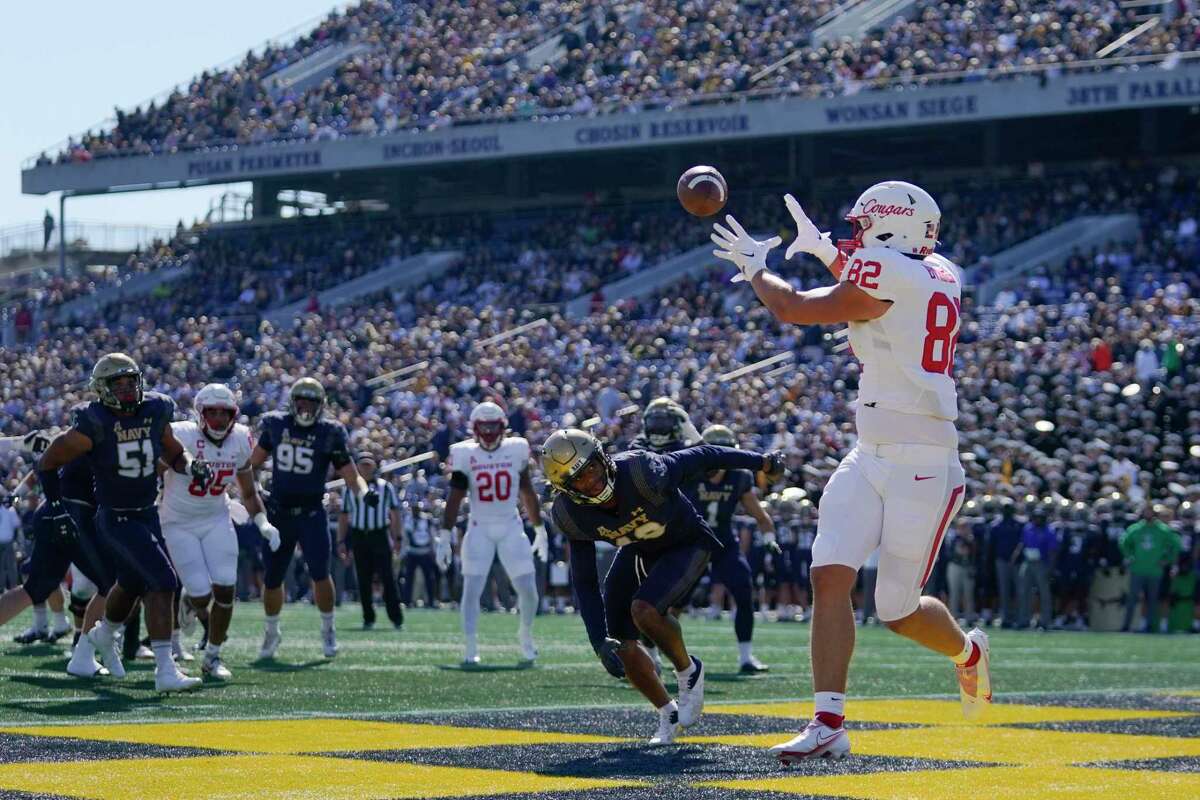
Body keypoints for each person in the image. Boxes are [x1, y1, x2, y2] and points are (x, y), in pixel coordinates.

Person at [713, 182, 991, 762]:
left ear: (894, 230)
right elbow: (877, 278)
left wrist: (756, 269)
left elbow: (793, 308)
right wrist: (829, 252)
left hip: (924, 463)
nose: (855, 237)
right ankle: (828, 721)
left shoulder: (895, 274)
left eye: (865, 228)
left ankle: (968, 652)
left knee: (897, 610)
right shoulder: (939, 270)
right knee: (829, 575)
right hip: (870, 452)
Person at [541, 427, 785, 744]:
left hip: (687, 541)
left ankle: (687, 670)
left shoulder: (642, 471)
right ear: (566, 489)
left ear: (603, 458)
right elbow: (585, 583)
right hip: (640, 549)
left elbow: (705, 454)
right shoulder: (570, 515)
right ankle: (667, 713)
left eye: (592, 469)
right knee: (619, 641)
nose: (591, 481)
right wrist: (597, 641)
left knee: (644, 609)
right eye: (579, 480)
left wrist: (761, 461)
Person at [36, 352, 209, 692]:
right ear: (103, 388)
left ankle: (94, 641)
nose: (129, 389)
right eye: (120, 384)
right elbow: (48, 461)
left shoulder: (154, 410)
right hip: (115, 517)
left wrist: (191, 467)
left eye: (132, 382)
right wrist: (56, 505)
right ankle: (164, 669)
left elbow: (173, 452)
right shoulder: (93, 422)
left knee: (130, 584)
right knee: (163, 581)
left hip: (146, 512)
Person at [159, 383, 278, 680]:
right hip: (178, 522)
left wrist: (262, 522)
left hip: (216, 516)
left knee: (226, 588)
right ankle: (192, 601)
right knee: (201, 593)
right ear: (200, 413)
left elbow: (248, 491)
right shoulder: (181, 433)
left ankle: (212, 656)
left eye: (223, 413)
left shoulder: (239, 439)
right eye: (211, 412)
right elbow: (154, 465)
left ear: (233, 415)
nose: (218, 419)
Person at [249, 378, 372, 660]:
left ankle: (328, 628)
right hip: (279, 512)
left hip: (311, 513)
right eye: (301, 401)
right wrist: (252, 490)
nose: (305, 407)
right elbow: (253, 464)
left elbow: (349, 474)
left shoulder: (330, 432)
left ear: (321, 405)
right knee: (272, 578)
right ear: (292, 402)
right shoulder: (275, 424)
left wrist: (364, 494)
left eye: (311, 402)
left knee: (320, 573)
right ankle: (271, 630)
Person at [439, 401, 548, 666]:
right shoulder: (465, 454)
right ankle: (471, 645)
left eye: (492, 427)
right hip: (479, 526)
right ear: (474, 429)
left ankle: (525, 633)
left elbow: (526, 491)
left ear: (503, 428)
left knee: (529, 590)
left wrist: (539, 528)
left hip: (511, 525)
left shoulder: (516, 450)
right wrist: (444, 534)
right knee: (472, 589)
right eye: (483, 427)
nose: (488, 432)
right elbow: (454, 498)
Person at [686, 424, 779, 673]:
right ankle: (654, 656)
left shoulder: (739, 477)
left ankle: (746, 657)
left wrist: (769, 537)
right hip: (689, 541)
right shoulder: (689, 474)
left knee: (744, 590)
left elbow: (760, 516)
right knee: (670, 601)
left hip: (723, 543)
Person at [337, 454, 404, 630]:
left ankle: (396, 619)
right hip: (359, 535)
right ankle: (368, 618)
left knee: (388, 577)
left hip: (379, 534)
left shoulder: (385, 487)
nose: (366, 468)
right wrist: (340, 541)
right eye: (363, 465)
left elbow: (395, 514)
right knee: (363, 579)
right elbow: (344, 517)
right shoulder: (349, 489)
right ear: (357, 467)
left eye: (369, 464)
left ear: (374, 466)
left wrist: (398, 537)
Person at [1120, 503, 1183, 633]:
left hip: (1155, 571)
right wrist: (1129, 556)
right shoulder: (1136, 528)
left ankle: (1149, 625)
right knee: (1132, 599)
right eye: (1146, 511)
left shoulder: (1162, 530)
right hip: (1137, 569)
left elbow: (1176, 544)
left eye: (1150, 511)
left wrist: (1168, 560)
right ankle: (1126, 625)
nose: (1148, 514)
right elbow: (1123, 542)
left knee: (1152, 600)